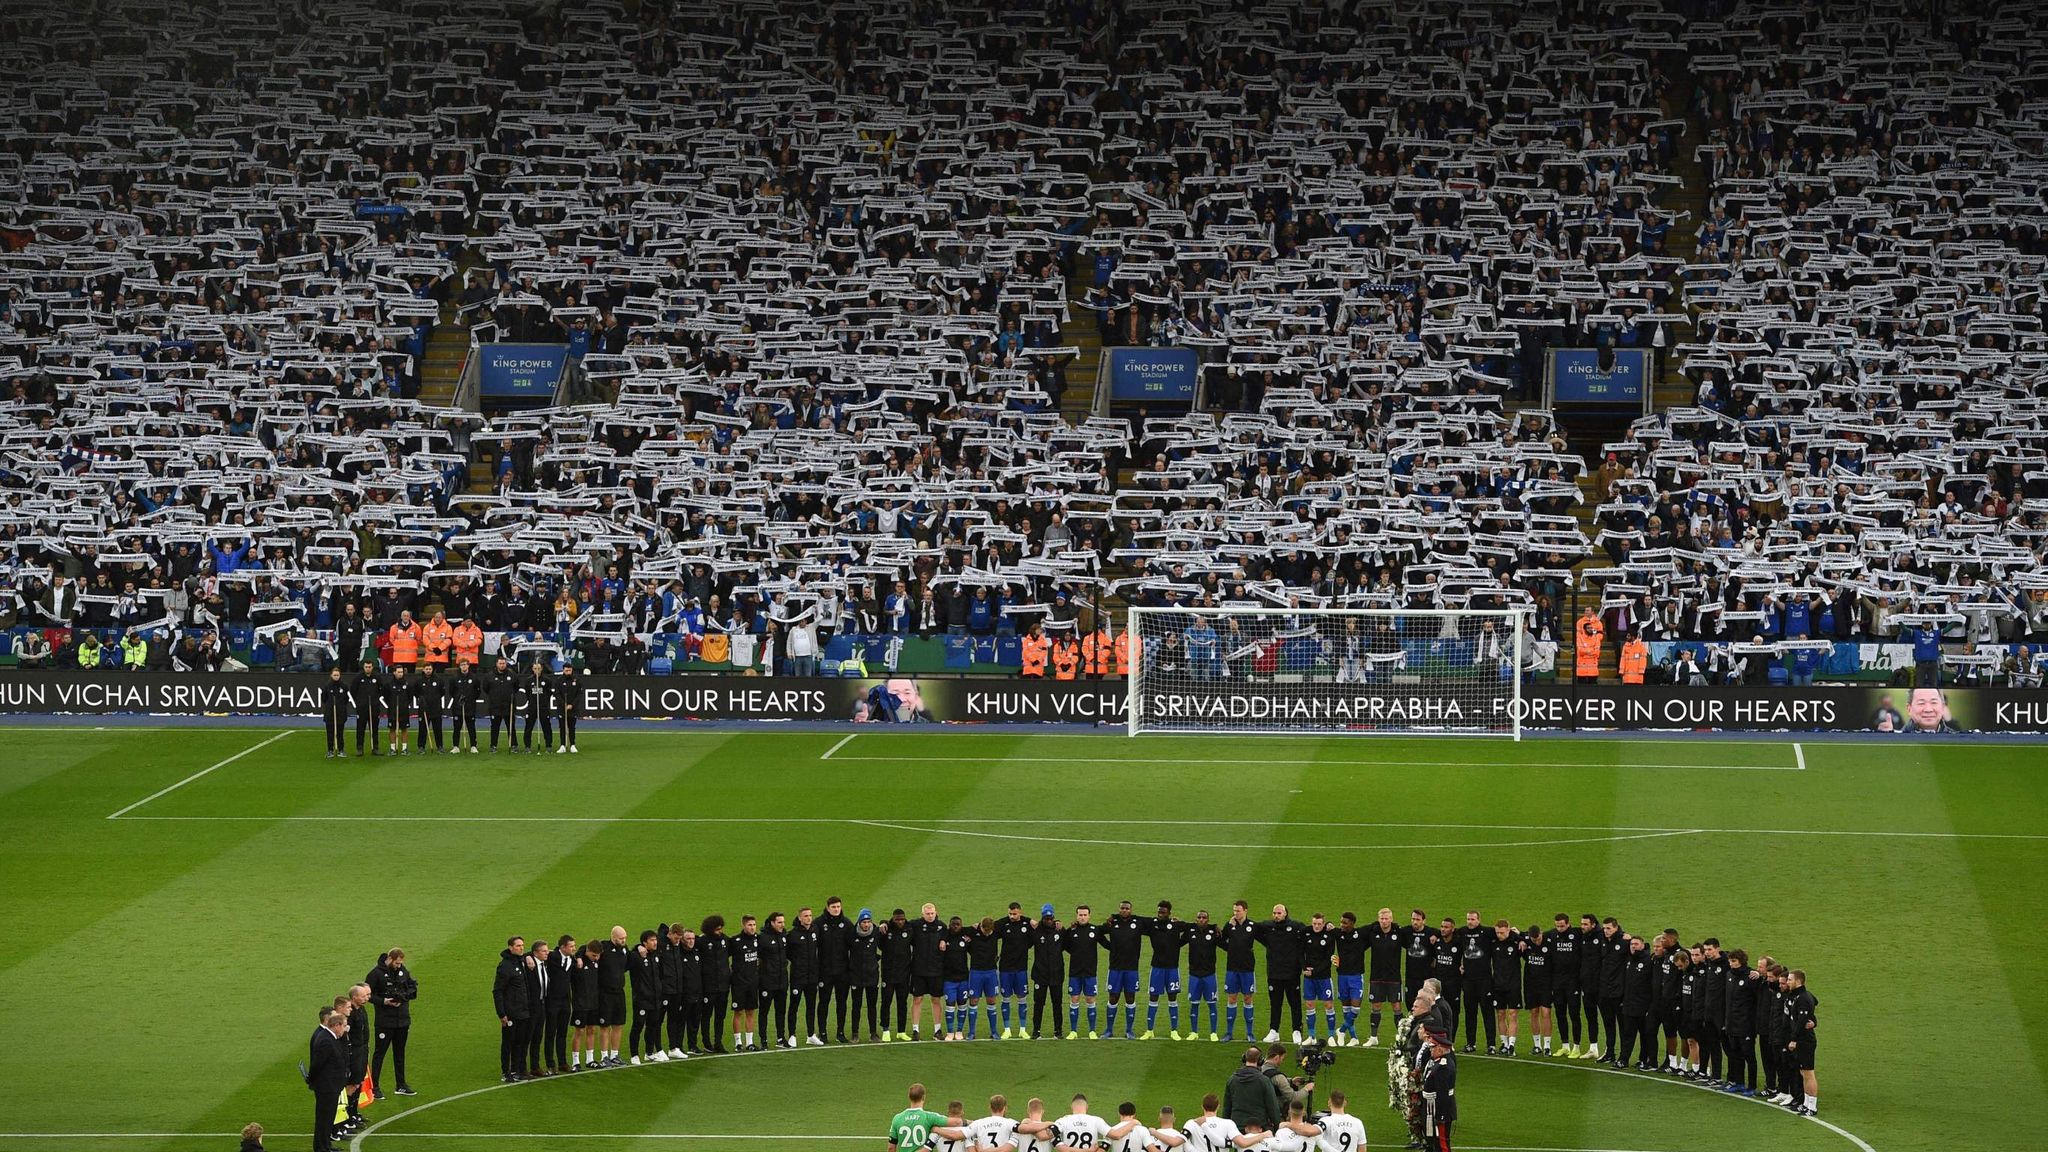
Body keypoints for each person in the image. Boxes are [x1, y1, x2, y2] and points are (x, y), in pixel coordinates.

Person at [1252, 903, 1307, 1042]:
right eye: (1274, 913)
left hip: (1292, 973)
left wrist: (1329, 926)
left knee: (1295, 1003)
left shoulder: (1296, 927)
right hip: (1274, 973)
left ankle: (1296, 1030)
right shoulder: (1268, 927)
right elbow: (1252, 928)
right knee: (1275, 1003)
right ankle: (1274, 1030)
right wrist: (1235, 920)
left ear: (1285, 914)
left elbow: (1312, 932)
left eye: (1279, 913)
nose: (1276, 916)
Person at [366, 948, 417, 1096]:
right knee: (379, 1054)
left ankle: (400, 1085)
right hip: (385, 1022)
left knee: (400, 1053)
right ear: (389, 959)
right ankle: (374, 1087)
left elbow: (411, 986)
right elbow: (367, 995)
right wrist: (384, 1001)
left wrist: (406, 996)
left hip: (402, 1021)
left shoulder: (403, 971)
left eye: (401, 963)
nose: (399, 966)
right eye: (397, 963)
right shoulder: (375, 974)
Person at [307, 1006, 350, 1152]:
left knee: (328, 1118)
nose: (345, 1029)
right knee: (324, 1119)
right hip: (326, 1087)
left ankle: (326, 1146)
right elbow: (317, 1065)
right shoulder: (326, 1040)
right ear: (336, 1025)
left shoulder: (331, 1037)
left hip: (331, 1086)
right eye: (344, 1026)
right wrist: (311, 1080)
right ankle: (321, 1148)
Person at [1451, 911, 1493, 1054]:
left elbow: (1504, 932)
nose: (1470, 921)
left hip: (1484, 980)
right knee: (1470, 1013)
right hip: (1468, 980)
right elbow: (1446, 935)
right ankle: (1471, 1043)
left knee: (1487, 1013)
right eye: (1468, 919)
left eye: (1473, 919)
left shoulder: (1487, 932)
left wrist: (1522, 937)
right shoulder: (1462, 932)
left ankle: (1491, 1045)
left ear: (1479, 920)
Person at [494, 935, 535, 1082]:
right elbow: (497, 991)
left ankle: (516, 1070)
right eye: (518, 946)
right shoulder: (505, 966)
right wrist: (502, 1013)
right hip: (511, 1012)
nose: (521, 948)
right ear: (510, 947)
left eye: (522, 945)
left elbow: (542, 951)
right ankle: (506, 1073)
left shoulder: (522, 960)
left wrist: (529, 956)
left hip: (523, 1011)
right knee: (508, 1043)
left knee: (520, 1042)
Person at [1102, 900, 1145, 1040]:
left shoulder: (1138, 923)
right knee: (1113, 997)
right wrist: (1110, 947)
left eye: (1127, 908)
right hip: (1115, 968)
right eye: (1122, 908)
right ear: (1119, 909)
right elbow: (1097, 933)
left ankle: (1129, 1030)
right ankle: (1109, 1030)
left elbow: (1156, 925)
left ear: (1131, 910)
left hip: (1132, 968)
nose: (1124, 910)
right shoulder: (1112, 922)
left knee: (1130, 997)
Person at [1061, 904, 1105, 1039]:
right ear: (1077, 916)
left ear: (1089, 916)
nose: (1082, 917)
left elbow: (1106, 944)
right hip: (1075, 972)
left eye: (1085, 915)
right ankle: (1073, 1031)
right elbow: (1064, 946)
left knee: (1090, 999)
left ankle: (1092, 1031)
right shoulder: (1071, 931)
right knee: (1074, 999)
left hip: (1090, 972)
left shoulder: (1095, 930)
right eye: (1080, 915)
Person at [816, 897, 855, 1043]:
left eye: (838, 906)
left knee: (842, 1003)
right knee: (824, 1002)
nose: (836, 909)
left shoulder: (846, 924)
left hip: (842, 972)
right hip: (824, 972)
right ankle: (823, 1033)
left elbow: (854, 946)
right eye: (833, 907)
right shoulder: (819, 923)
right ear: (827, 907)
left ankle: (840, 1033)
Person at [996, 902, 1034, 1040]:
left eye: (1015, 914)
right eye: (1010, 913)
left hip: (1021, 968)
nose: (1012, 916)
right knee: (1005, 998)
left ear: (1020, 913)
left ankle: (1022, 1030)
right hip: (1005, 968)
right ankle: (1007, 1030)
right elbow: (988, 927)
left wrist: (1029, 920)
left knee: (1022, 997)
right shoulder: (1003, 924)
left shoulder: (1026, 925)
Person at [1221, 901, 1259, 1042]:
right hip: (1232, 968)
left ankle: (1250, 1033)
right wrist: (1230, 949)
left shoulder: (1253, 926)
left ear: (1245, 911)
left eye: (1238, 911)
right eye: (1234, 911)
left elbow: (1265, 938)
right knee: (1232, 998)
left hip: (1248, 969)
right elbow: (1220, 940)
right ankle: (1229, 1033)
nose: (1235, 913)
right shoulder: (1229, 925)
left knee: (1248, 998)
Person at [1222, 1046, 1280, 1134]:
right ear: (1260, 1061)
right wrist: (1277, 1127)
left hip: (1237, 1128)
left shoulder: (1232, 1080)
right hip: (1258, 1127)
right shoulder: (1264, 1081)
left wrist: (1225, 1129)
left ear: (1244, 1058)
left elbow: (1227, 1107)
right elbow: (1272, 1107)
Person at [787, 906, 823, 1046]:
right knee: (794, 1006)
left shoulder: (815, 930)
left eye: (810, 915)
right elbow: (788, 953)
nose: (809, 918)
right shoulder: (792, 935)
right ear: (800, 918)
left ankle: (810, 1035)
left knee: (811, 1006)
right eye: (806, 916)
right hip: (798, 976)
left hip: (812, 976)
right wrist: (798, 963)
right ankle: (792, 1035)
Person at [631, 929, 668, 1064]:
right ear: (644, 943)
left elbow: (661, 975)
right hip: (641, 1000)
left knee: (653, 1025)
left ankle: (649, 1052)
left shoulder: (657, 955)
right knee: (638, 1026)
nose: (655, 942)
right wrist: (637, 947)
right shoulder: (636, 956)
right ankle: (634, 1055)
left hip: (655, 999)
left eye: (655, 940)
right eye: (652, 940)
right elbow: (628, 954)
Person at [1785, 968, 1818, 1115]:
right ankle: (1805, 1103)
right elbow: (1815, 1002)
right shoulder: (1800, 996)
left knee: (1809, 1074)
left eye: (1790, 979)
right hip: (1802, 1040)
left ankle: (1812, 1106)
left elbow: (1802, 1021)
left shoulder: (1803, 997)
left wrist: (1793, 1040)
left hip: (1805, 1041)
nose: (1787, 982)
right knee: (1803, 1073)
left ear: (1798, 981)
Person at [1546, 914, 1581, 1057]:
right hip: (1557, 982)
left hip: (1573, 982)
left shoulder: (1577, 933)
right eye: (1557, 926)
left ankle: (1577, 1047)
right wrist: (1520, 937)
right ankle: (1565, 1045)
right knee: (1560, 1014)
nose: (1559, 928)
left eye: (1562, 926)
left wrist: (1623, 934)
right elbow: (1536, 937)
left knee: (1574, 1014)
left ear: (1568, 924)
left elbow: (1597, 932)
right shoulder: (1552, 935)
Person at [1184, 908, 1222, 1041]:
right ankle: (1194, 1032)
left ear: (1208, 920)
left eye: (1204, 917)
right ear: (1196, 919)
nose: (1201, 919)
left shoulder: (1213, 932)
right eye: (1199, 917)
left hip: (1209, 974)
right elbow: (1176, 943)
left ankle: (1213, 1033)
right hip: (1194, 974)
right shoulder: (1191, 931)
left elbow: (1226, 945)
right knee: (1194, 1004)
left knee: (1212, 1004)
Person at [1029, 904, 1064, 1040]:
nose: (1048, 920)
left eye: (1050, 918)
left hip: (1056, 974)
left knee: (1057, 1004)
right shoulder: (1036, 931)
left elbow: (1069, 945)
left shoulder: (1060, 931)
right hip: (1040, 974)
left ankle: (1058, 1031)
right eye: (1046, 918)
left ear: (1053, 917)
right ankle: (1036, 1031)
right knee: (1038, 1003)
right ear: (1042, 918)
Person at [598, 925, 631, 1066]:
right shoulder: (603, 947)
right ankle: (604, 1056)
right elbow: (584, 950)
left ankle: (615, 1055)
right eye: (621, 938)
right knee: (605, 1025)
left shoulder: (624, 949)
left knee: (618, 1024)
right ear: (613, 937)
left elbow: (629, 963)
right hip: (605, 993)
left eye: (625, 938)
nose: (624, 940)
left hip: (619, 992)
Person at [849, 909, 884, 1043]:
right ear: (859, 922)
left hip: (872, 975)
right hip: (856, 975)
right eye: (864, 922)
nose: (866, 924)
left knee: (872, 1005)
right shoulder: (851, 934)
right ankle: (855, 1033)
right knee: (856, 1005)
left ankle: (873, 1033)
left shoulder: (876, 932)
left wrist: (885, 923)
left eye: (869, 921)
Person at [1418, 1033, 1457, 1152]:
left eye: (1432, 1047)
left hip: (1438, 1108)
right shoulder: (1436, 1061)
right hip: (1431, 1106)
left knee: (1442, 1143)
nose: (1430, 1050)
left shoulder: (1443, 1067)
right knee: (1433, 1141)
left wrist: (1441, 1115)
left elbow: (1442, 1093)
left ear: (1440, 1049)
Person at [1300, 913, 1336, 1041]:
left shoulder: (1329, 936)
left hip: (1324, 977)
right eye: (1314, 923)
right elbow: (1300, 953)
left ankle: (1331, 1036)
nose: (1316, 926)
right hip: (1309, 977)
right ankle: (1311, 1036)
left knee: (1328, 1005)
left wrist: (1314, 972)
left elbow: (1329, 959)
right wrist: (1304, 968)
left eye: (1319, 924)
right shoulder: (1306, 933)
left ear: (1324, 924)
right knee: (1309, 1004)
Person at [879, 908, 913, 1040]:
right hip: (888, 974)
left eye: (902, 919)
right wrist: (882, 924)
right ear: (893, 919)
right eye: (897, 919)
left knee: (902, 1003)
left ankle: (901, 1031)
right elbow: (880, 945)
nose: (900, 922)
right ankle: (885, 1030)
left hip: (904, 974)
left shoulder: (909, 929)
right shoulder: (886, 930)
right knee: (886, 1002)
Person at [730, 915, 762, 1051]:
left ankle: (749, 1043)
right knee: (738, 1012)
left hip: (752, 982)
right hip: (739, 983)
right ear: (743, 925)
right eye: (749, 925)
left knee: (750, 1011)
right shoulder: (735, 941)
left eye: (754, 924)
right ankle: (738, 1043)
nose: (752, 927)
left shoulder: (758, 940)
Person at [886, 1083, 947, 1152]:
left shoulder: (897, 1118)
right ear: (924, 1097)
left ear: (909, 1096)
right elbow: (955, 1122)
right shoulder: (930, 1117)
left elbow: (891, 1148)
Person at [571, 938, 602, 1070]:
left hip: (594, 1002)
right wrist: (579, 956)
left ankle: (590, 1059)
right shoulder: (578, 962)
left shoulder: (595, 961)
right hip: (580, 1003)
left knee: (591, 1030)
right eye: (594, 955)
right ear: (587, 951)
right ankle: (575, 1062)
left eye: (598, 956)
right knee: (579, 1031)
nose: (596, 958)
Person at [1521, 925, 1552, 1056]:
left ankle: (1547, 1046)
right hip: (1530, 983)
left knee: (1545, 1012)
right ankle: (1537, 1045)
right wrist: (1522, 940)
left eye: (1538, 939)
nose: (1536, 942)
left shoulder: (1549, 941)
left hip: (1546, 983)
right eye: (1534, 940)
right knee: (1534, 1012)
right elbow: (1515, 933)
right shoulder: (1526, 941)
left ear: (1541, 933)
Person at [348, 660, 383, 757]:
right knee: (360, 728)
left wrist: (375, 699)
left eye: (370, 667)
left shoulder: (377, 677)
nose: (368, 668)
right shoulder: (358, 678)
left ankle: (375, 748)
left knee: (374, 728)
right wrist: (360, 701)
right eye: (366, 667)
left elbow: (382, 690)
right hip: (362, 708)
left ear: (372, 667)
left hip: (374, 707)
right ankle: (360, 748)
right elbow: (353, 691)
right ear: (363, 667)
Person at [447, 659, 482, 752]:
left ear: (468, 665)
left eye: (465, 664)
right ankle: (455, 746)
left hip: (470, 707)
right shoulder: (454, 678)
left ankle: (473, 746)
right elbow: (451, 692)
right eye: (462, 665)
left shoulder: (474, 678)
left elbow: (478, 691)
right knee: (457, 728)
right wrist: (458, 699)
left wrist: (470, 699)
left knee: (471, 727)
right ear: (459, 666)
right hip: (458, 707)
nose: (464, 666)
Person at [521, 660, 555, 752]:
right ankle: (527, 746)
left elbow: (549, 693)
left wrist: (544, 702)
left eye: (539, 669)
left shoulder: (547, 680)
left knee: (546, 727)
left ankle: (548, 746)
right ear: (532, 669)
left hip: (543, 707)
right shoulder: (528, 681)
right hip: (532, 707)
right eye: (535, 668)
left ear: (542, 669)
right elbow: (527, 694)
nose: (537, 670)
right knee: (528, 727)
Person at [484, 656, 517, 751]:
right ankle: (493, 745)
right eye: (500, 663)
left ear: (506, 664)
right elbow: (486, 688)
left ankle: (513, 745)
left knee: (511, 726)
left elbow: (516, 687)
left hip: (509, 705)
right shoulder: (489, 676)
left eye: (503, 663)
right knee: (494, 727)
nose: (502, 665)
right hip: (495, 706)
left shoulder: (512, 675)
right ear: (496, 664)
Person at [383, 663, 414, 755]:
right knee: (392, 729)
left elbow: (410, 697)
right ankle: (393, 748)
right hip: (392, 710)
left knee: (404, 729)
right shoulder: (389, 684)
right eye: (399, 672)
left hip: (404, 710)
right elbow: (386, 696)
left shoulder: (407, 684)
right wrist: (391, 704)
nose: (401, 674)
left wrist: (404, 704)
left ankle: (404, 748)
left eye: (402, 672)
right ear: (394, 673)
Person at [320, 666, 350, 757]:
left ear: (340, 675)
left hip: (341, 713)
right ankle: (330, 750)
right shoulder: (327, 686)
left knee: (340, 733)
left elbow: (346, 699)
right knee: (330, 733)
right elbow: (323, 698)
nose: (336, 677)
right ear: (331, 675)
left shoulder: (344, 686)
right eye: (334, 675)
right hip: (330, 713)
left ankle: (341, 750)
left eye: (337, 675)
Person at [553, 663, 580, 753]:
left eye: (569, 670)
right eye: (566, 670)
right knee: (562, 727)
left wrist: (572, 705)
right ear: (563, 670)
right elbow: (557, 694)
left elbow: (579, 694)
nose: (568, 672)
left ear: (572, 670)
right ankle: (562, 745)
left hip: (573, 708)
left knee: (572, 727)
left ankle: (572, 744)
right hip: (562, 708)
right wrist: (563, 704)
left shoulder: (576, 680)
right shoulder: (559, 680)